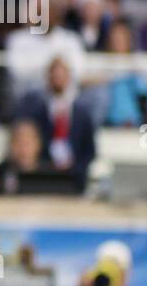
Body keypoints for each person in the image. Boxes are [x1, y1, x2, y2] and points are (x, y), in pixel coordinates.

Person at [12, 55, 97, 191]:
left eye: (61, 75)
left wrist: (75, 166)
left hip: (74, 177)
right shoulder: (37, 110)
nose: (58, 79)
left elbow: (89, 149)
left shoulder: (82, 113)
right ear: (48, 78)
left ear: (68, 77)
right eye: (54, 76)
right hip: (45, 176)